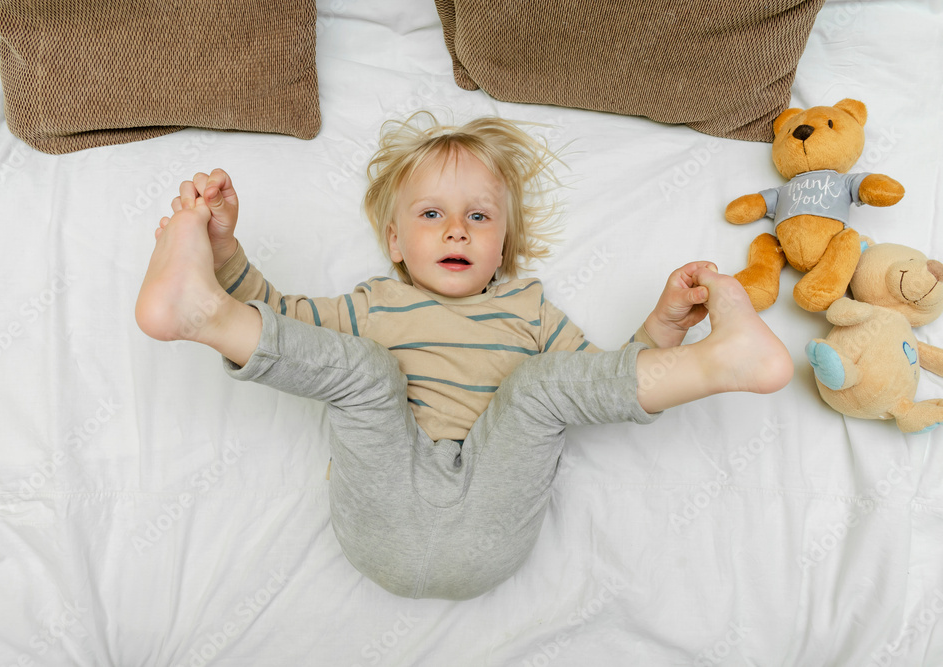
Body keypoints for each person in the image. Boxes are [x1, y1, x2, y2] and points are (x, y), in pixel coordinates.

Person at [135, 112, 793, 600]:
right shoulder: (371, 304)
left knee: (543, 387)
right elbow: (284, 331)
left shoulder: (530, 310)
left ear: (503, 244)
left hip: (491, 520)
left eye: (479, 216)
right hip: (384, 513)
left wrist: (663, 325)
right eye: (431, 214)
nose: (456, 227)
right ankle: (204, 310)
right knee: (360, 369)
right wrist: (226, 255)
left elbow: (600, 382)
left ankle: (720, 362)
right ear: (394, 240)